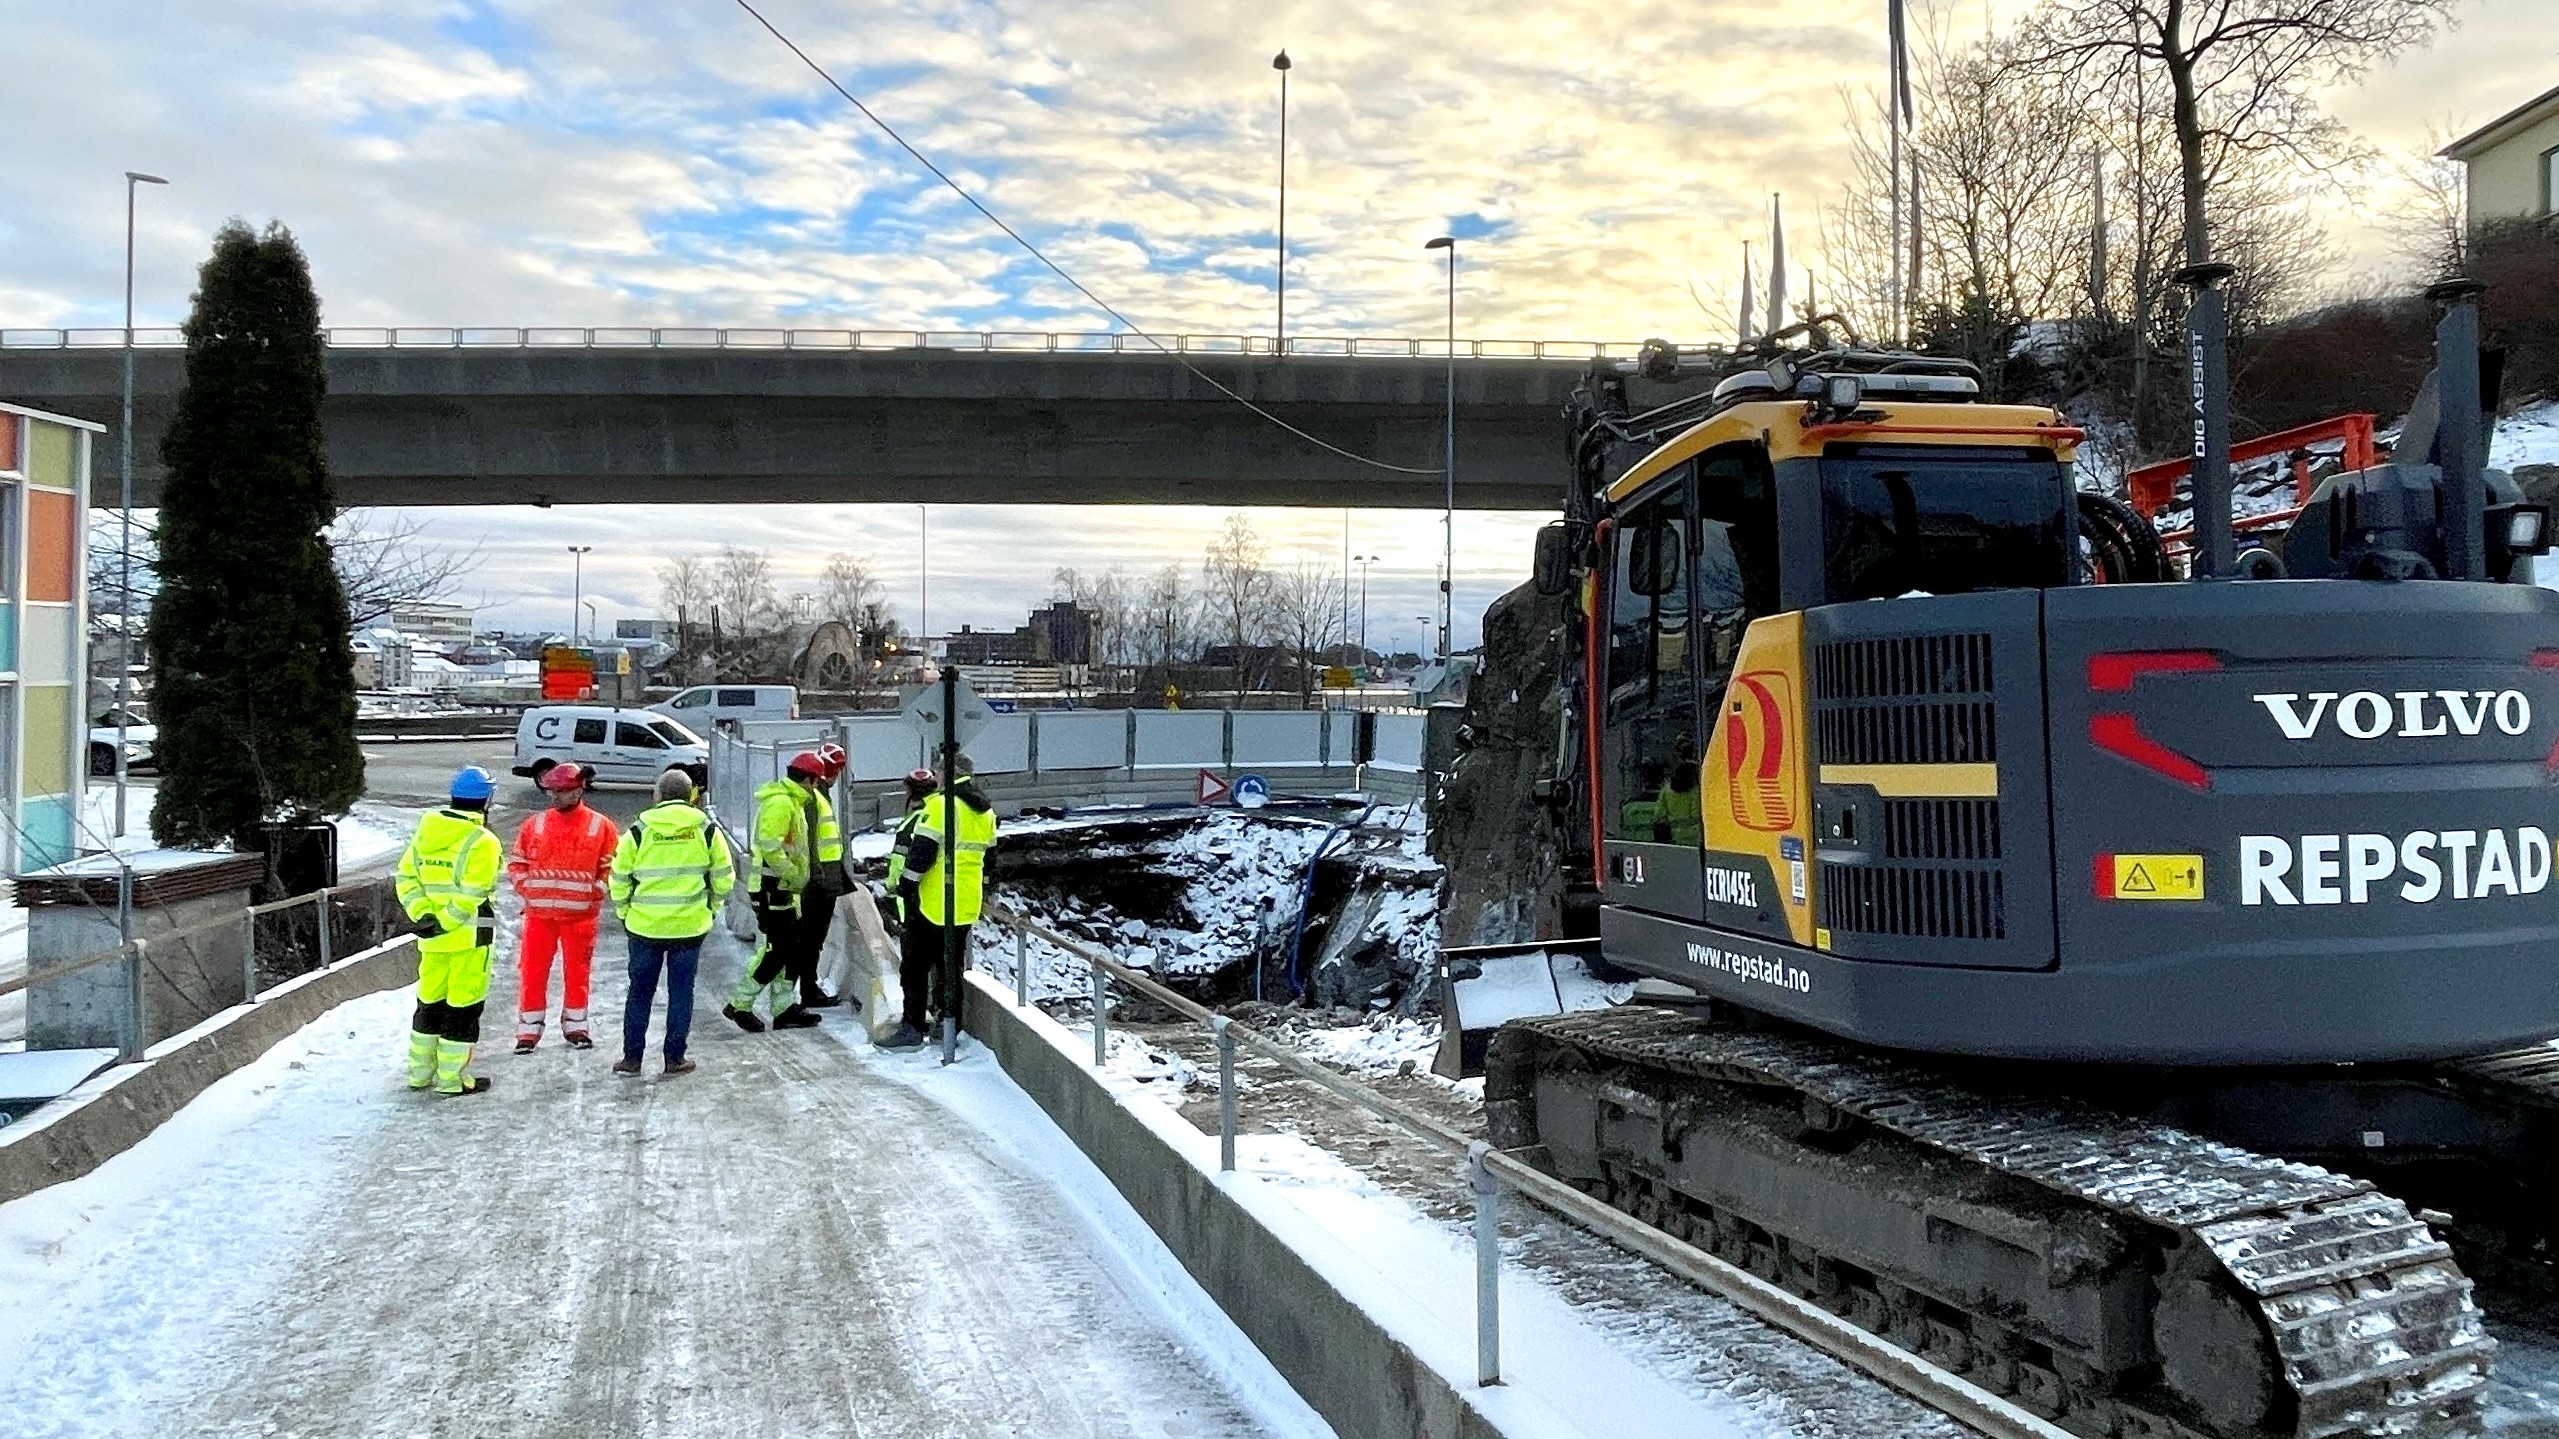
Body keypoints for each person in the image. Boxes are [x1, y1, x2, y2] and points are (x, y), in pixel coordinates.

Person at [609, 766, 736, 1077]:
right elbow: (724, 877)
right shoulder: (706, 830)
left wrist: (626, 912)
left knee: (639, 991)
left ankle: (632, 1059)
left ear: (658, 795)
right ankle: (674, 1058)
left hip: (644, 928)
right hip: (689, 927)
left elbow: (619, 877)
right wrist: (711, 909)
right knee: (681, 992)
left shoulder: (639, 831)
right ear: (691, 795)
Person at [398, 766, 506, 1096]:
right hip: (470, 939)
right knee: (463, 1010)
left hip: (432, 941)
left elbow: (405, 879)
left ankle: (419, 1074)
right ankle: (451, 1080)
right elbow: (474, 892)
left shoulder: (425, 834)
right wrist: (446, 921)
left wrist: (423, 915)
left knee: (429, 1005)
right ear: (486, 799)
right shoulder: (483, 841)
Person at [882, 755, 996, 1050]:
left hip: (933, 901)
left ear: (947, 773)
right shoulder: (985, 811)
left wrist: (905, 889)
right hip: (965, 903)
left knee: (915, 967)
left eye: (938, 771)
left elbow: (922, 854)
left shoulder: (940, 806)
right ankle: (949, 1025)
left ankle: (912, 1027)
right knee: (951, 966)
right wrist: (982, 892)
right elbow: (991, 860)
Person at [508, 762, 620, 1052]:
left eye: (562, 791)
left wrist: (595, 892)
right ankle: (528, 1031)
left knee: (577, 973)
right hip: (539, 916)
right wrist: (527, 889)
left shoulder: (601, 827)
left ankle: (576, 1026)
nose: (556, 796)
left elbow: (611, 868)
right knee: (532, 971)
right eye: (553, 791)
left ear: (578, 789)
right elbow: (517, 862)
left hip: (580, 916)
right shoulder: (536, 824)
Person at [723, 752, 820, 1032]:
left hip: (784, 890)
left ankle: (783, 1008)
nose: (816, 788)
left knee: (791, 951)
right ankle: (740, 1004)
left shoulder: (790, 801)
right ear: (807, 779)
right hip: (774, 889)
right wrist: (791, 873)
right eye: (816, 782)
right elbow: (770, 845)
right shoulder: (781, 804)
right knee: (777, 951)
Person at [791, 741, 849, 1009]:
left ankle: (806, 988)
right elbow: (813, 842)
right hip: (819, 881)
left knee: (809, 939)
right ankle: (807, 990)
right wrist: (817, 878)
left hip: (820, 878)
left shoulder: (814, 795)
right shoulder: (815, 798)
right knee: (811, 938)